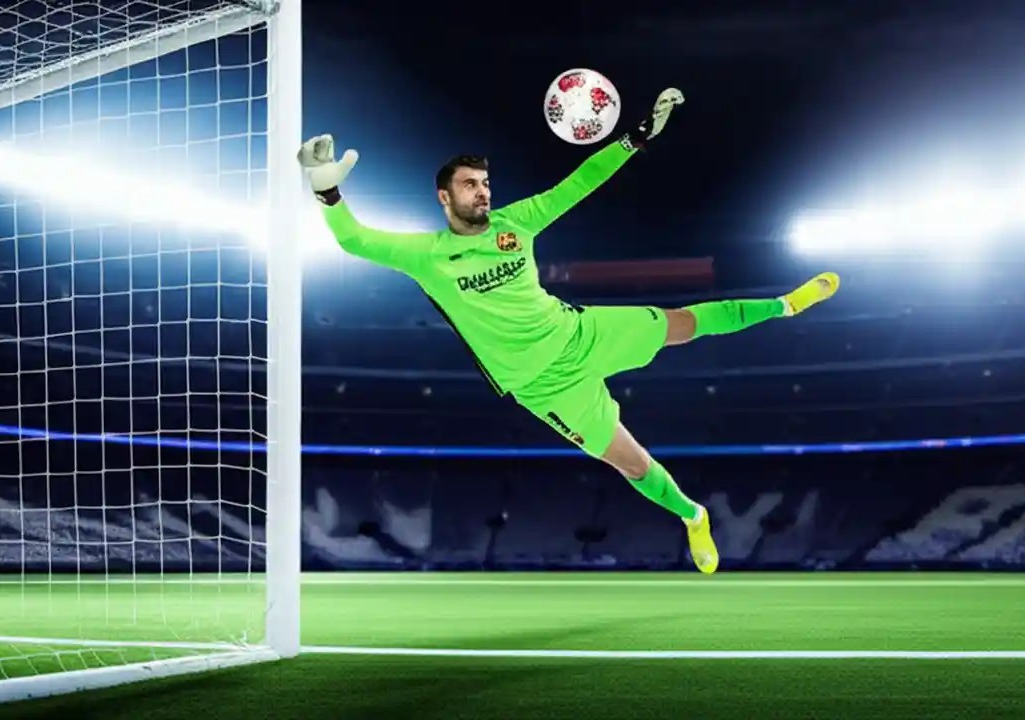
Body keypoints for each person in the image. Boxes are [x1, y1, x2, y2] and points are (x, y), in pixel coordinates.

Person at [297, 88, 839, 573]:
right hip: (542, 386)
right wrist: (328, 194)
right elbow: (356, 242)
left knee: (682, 324)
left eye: (485, 183)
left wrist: (636, 138)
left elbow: (579, 184)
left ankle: (785, 304)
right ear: (445, 198)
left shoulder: (517, 222)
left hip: (580, 333)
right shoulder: (427, 256)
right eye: (470, 185)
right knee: (629, 461)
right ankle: (693, 515)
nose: (482, 192)